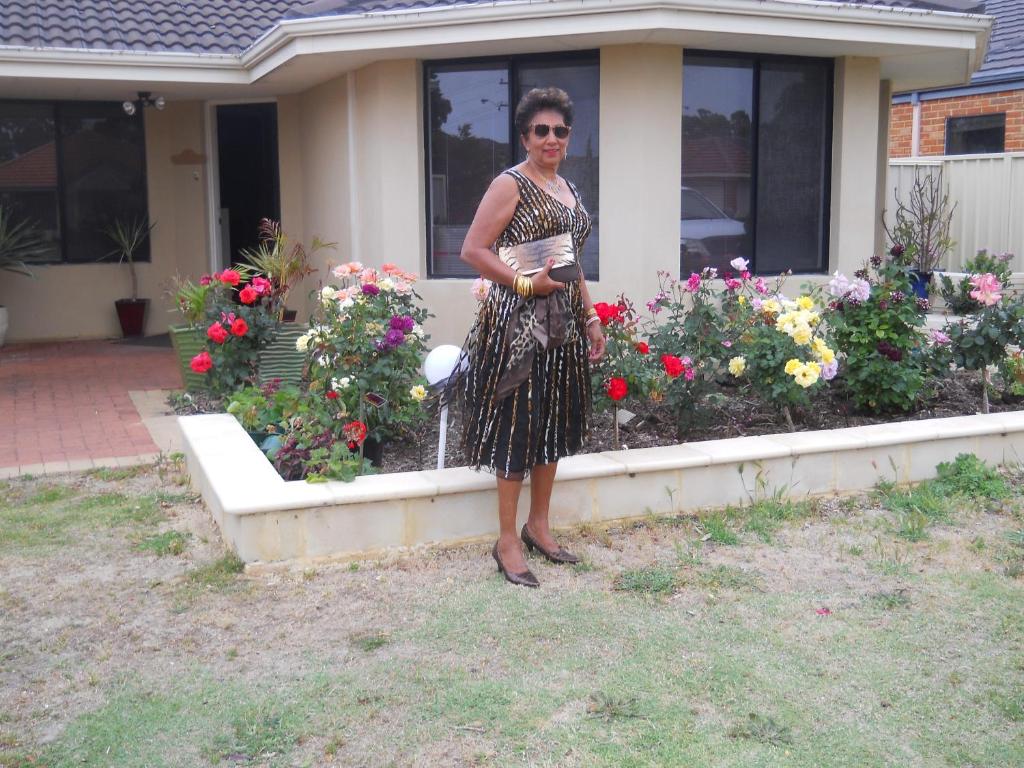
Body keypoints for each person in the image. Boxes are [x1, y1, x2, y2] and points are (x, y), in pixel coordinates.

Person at [457, 87, 606, 588]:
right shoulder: (510, 183)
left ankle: (538, 525)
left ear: (568, 138)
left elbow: (571, 264)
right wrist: (524, 282)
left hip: (562, 324)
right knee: (517, 427)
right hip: (519, 323)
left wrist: (590, 316)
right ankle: (506, 540)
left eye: (559, 131)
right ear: (525, 136)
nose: (551, 138)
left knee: (554, 424)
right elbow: (474, 250)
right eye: (540, 130)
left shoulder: (569, 189)